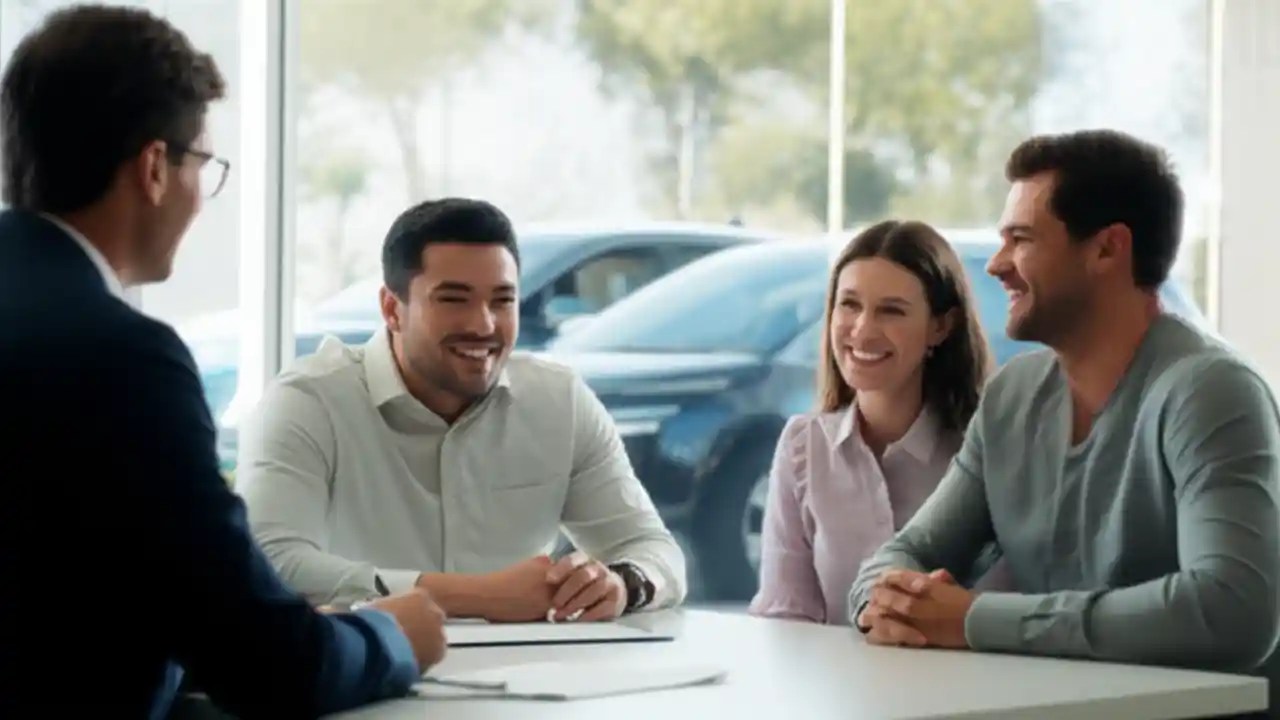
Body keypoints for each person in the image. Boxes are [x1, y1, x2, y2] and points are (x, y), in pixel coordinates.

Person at [0, 7, 446, 718]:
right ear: (153, 167)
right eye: (204, 166)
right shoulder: (122, 358)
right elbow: (267, 665)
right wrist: (391, 632)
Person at [849, 130, 1280, 712]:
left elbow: (1234, 612)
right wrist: (887, 604)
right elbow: (903, 556)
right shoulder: (1013, 396)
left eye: (1020, 239)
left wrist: (976, 619)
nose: (997, 264)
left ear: (1107, 249)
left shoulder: (1211, 392)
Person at [236, 197, 686, 623]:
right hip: (363, 687)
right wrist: (481, 596)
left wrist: (622, 584)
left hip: (531, 685)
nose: (483, 324)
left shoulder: (559, 401)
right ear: (392, 309)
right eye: (454, 299)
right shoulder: (308, 402)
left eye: (502, 300)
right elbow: (271, 562)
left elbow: (652, 548)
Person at [748, 220, 996, 625]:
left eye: (891, 311)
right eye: (850, 305)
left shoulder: (982, 448)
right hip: (834, 686)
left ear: (940, 326)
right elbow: (785, 614)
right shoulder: (803, 444)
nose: (862, 330)